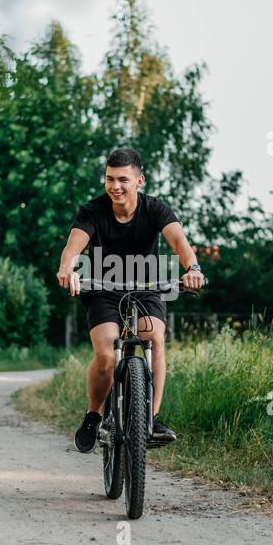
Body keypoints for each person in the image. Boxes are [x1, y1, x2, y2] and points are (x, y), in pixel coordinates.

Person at [55, 146, 205, 454]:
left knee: (154, 336)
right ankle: (94, 414)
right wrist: (67, 268)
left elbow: (178, 241)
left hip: (147, 285)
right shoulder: (93, 211)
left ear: (139, 181)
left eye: (123, 179)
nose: (115, 186)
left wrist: (193, 268)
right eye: (110, 179)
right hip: (102, 289)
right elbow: (74, 246)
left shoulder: (155, 209)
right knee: (108, 354)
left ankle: (151, 420)